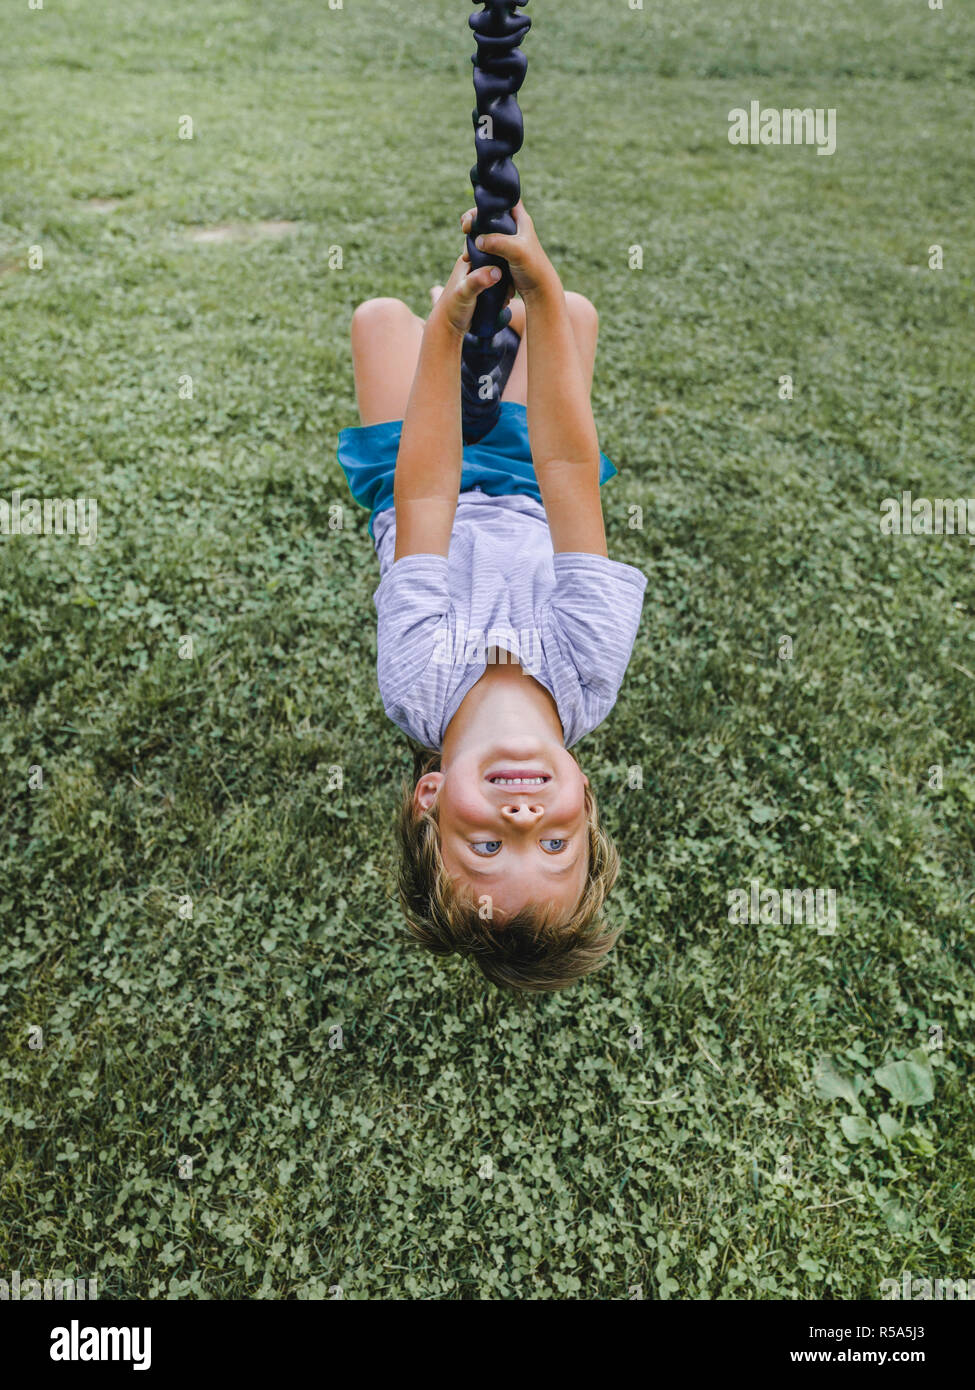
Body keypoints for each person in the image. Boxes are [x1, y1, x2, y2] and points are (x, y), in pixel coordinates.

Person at [338, 202, 647, 992]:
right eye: (555, 847)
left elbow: (427, 498)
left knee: (382, 321)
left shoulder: (416, 682)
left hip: (417, 480)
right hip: (531, 480)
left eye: (484, 848)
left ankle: (459, 337)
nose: (522, 823)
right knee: (569, 312)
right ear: (583, 796)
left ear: (430, 799)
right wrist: (538, 298)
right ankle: (518, 327)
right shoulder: (589, 670)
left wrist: (443, 335)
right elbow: (572, 473)